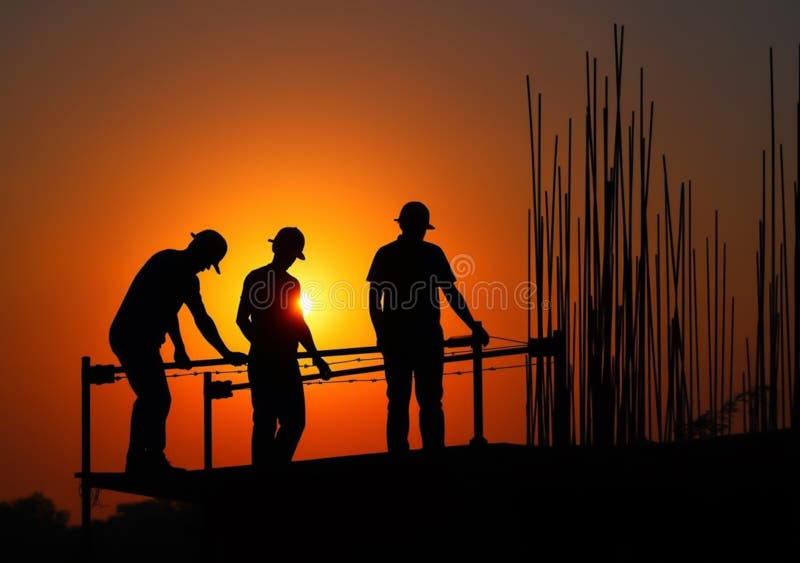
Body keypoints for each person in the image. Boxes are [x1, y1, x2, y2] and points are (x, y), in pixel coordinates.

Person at [109, 230, 248, 474]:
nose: (207, 268)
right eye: (208, 261)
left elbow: (185, 314)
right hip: (132, 337)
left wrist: (184, 348)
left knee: (152, 397)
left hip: (141, 339)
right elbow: (182, 314)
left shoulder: (179, 271)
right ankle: (146, 459)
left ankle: (142, 459)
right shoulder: (170, 264)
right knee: (156, 398)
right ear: (201, 251)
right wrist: (191, 348)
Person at [367, 201, 490, 454]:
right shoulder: (426, 254)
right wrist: (382, 334)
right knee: (419, 402)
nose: (420, 231)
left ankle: (416, 455)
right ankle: (429, 456)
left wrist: (382, 334)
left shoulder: (391, 253)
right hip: (416, 338)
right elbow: (450, 293)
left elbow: (449, 293)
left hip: (410, 339)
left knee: (413, 402)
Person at [236, 226, 332, 466]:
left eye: (293, 255)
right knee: (267, 420)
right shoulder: (256, 278)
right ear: (278, 249)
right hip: (268, 360)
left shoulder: (292, 283)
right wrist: (261, 345)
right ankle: (268, 472)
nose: (291, 260)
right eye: (290, 253)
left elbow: (298, 323)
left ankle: (272, 467)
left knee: (292, 421)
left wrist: (316, 357)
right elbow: (241, 318)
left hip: (285, 360)